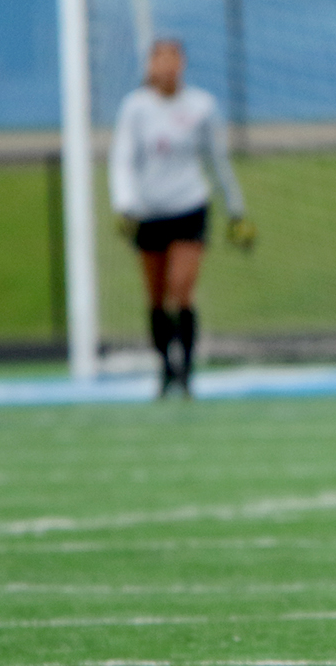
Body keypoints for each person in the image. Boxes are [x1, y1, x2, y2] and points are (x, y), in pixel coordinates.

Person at [109, 38, 255, 398]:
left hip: (190, 206)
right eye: (159, 59)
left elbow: (216, 161)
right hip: (148, 211)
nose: (166, 66)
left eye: (173, 58)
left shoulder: (201, 106)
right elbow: (123, 159)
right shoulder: (135, 108)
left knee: (181, 290)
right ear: (148, 66)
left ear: (184, 64)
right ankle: (165, 368)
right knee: (156, 297)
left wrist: (236, 210)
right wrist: (125, 204)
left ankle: (186, 372)